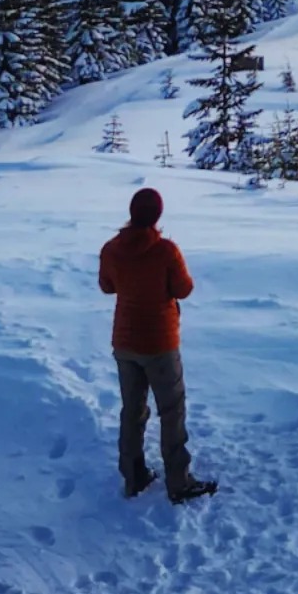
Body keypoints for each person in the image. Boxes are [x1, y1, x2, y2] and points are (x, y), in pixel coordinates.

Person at [98, 186, 217, 504]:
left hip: (125, 343)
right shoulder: (166, 250)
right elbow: (184, 288)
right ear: (158, 215)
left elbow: (106, 286)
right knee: (172, 410)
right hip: (161, 343)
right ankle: (178, 482)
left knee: (132, 411)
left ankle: (133, 477)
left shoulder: (111, 249)